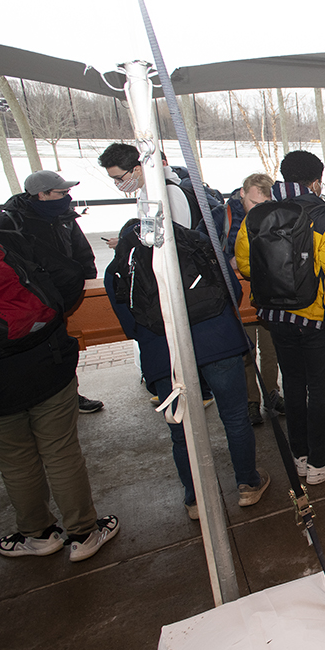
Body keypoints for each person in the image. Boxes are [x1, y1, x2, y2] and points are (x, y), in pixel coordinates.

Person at [0, 226, 119, 561]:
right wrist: (47, 322)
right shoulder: (3, 238)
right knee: (62, 453)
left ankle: (39, 535)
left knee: (16, 462)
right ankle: (84, 533)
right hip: (47, 363)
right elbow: (69, 273)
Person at [105, 219, 269, 519]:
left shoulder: (120, 264)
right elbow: (232, 290)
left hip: (164, 354)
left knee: (181, 430)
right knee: (234, 418)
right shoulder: (197, 242)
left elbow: (130, 325)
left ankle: (195, 499)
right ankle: (247, 483)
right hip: (218, 341)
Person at [235, 151, 325, 484]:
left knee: (292, 383)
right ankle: (320, 462)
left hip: (276, 315)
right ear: (316, 181)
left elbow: (246, 266)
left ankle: (300, 456)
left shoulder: (256, 217)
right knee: (319, 389)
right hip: (316, 317)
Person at [0, 170, 105, 414]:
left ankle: (68, 397)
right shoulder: (7, 223)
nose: (67, 197)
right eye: (61, 193)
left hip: (62, 298)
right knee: (33, 354)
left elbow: (82, 251)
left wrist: (84, 279)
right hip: (28, 303)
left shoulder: (64, 217)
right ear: (41, 195)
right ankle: (32, 401)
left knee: (62, 350)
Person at [204, 172, 284, 426]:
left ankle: (271, 392)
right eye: (253, 203)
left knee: (271, 350)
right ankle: (252, 401)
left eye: (263, 204)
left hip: (268, 293)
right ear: (241, 193)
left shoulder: (275, 215)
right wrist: (226, 262)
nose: (257, 209)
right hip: (238, 296)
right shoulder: (221, 216)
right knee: (246, 352)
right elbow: (200, 248)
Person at [99, 143, 196, 229]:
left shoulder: (169, 192)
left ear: (137, 170)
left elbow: (180, 236)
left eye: (119, 178)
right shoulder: (145, 192)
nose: (117, 183)